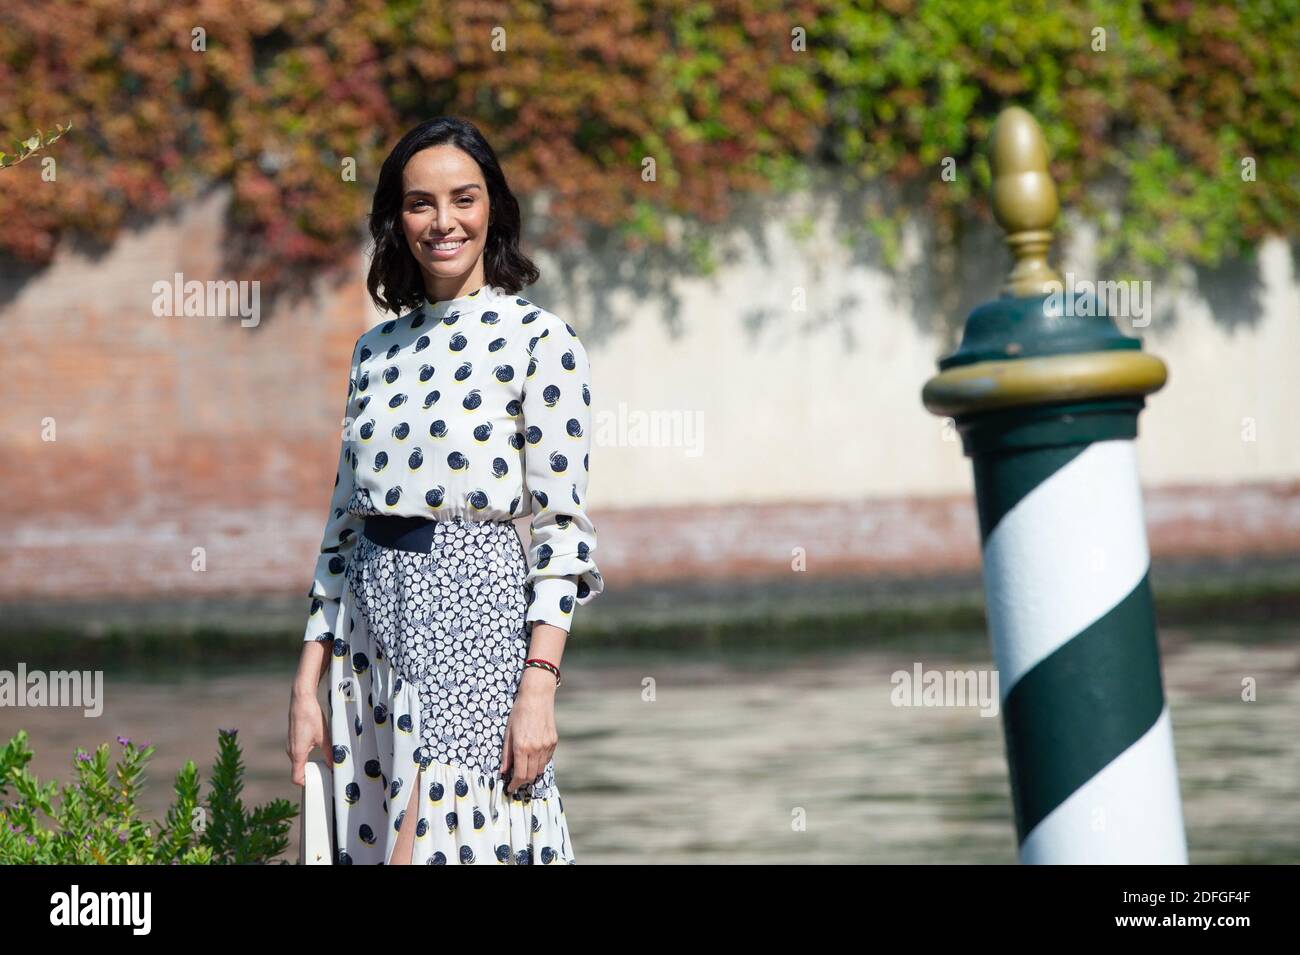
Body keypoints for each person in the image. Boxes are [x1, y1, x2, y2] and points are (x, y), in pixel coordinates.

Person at [286, 117, 603, 864]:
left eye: (463, 198)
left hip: (471, 621)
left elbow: (564, 532)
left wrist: (540, 687)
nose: (443, 221)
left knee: (435, 840)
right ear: (397, 219)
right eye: (420, 203)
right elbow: (341, 524)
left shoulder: (540, 341)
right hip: (369, 636)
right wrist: (308, 681)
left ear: (493, 206)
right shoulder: (375, 348)